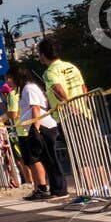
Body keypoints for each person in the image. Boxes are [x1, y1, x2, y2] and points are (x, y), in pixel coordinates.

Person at [37, 35, 97, 201]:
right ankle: (103, 187)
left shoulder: (49, 72)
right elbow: (84, 87)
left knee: (79, 154)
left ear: (43, 54)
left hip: (69, 117)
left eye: (39, 53)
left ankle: (88, 192)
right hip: (84, 113)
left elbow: (58, 89)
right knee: (93, 152)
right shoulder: (71, 66)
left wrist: (70, 106)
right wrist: (82, 105)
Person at [13, 61, 67, 198]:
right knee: (47, 160)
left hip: (43, 127)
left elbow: (35, 108)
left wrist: (35, 130)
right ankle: (55, 189)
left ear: (16, 76)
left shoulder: (29, 88)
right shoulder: (25, 89)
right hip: (38, 126)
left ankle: (60, 189)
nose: (8, 81)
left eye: (9, 77)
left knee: (50, 159)